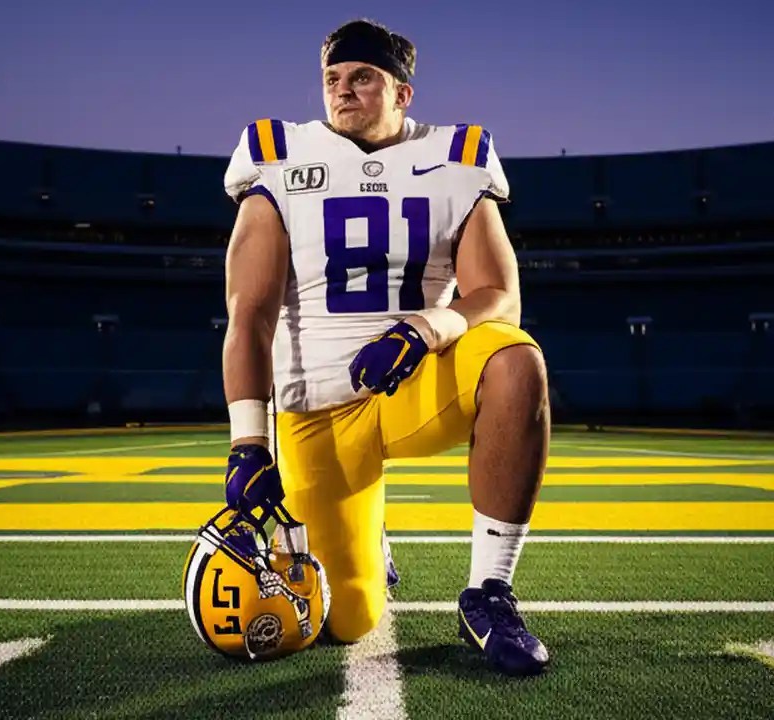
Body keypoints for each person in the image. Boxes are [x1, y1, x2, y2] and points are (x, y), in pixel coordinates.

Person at [219, 18, 550, 676]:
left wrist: (423, 328)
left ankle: (487, 592)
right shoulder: (276, 156)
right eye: (332, 79)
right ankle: (372, 537)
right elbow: (249, 311)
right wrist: (248, 441)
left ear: (403, 93)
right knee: (347, 618)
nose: (343, 91)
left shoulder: (457, 159)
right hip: (317, 411)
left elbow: (498, 295)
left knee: (517, 360)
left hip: (418, 382)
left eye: (362, 78)